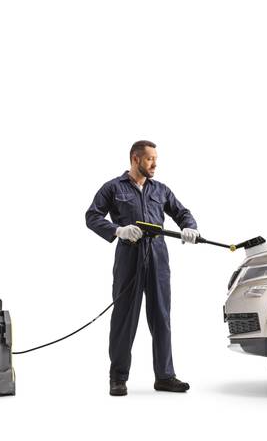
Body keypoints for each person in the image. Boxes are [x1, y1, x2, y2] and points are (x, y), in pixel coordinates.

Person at [85, 140, 199, 396]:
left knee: (161, 316)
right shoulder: (113, 188)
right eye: (150, 159)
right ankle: (118, 378)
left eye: (155, 159)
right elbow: (92, 216)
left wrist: (189, 227)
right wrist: (117, 230)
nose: (155, 164)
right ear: (135, 159)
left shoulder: (161, 190)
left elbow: (182, 213)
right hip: (129, 255)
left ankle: (165, 377)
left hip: (158, 256)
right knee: (124, 317)